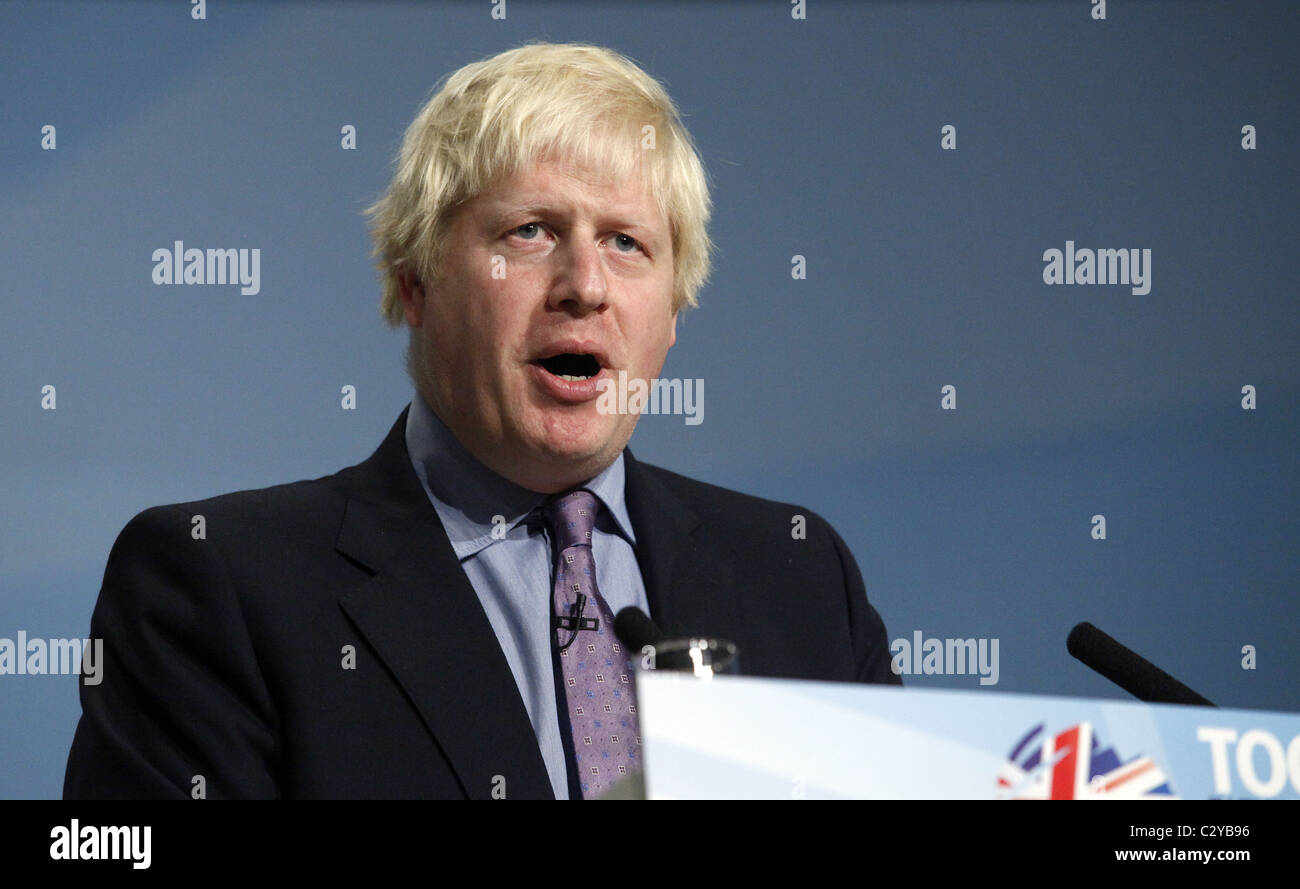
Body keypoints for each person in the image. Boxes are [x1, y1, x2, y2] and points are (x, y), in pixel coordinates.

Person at [64, 41, 899, 801]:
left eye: (626, 243)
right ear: (416, 283)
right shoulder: (220, 584)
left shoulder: (800, 578)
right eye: (530, 231)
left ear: (675, 310)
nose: (586, 284)